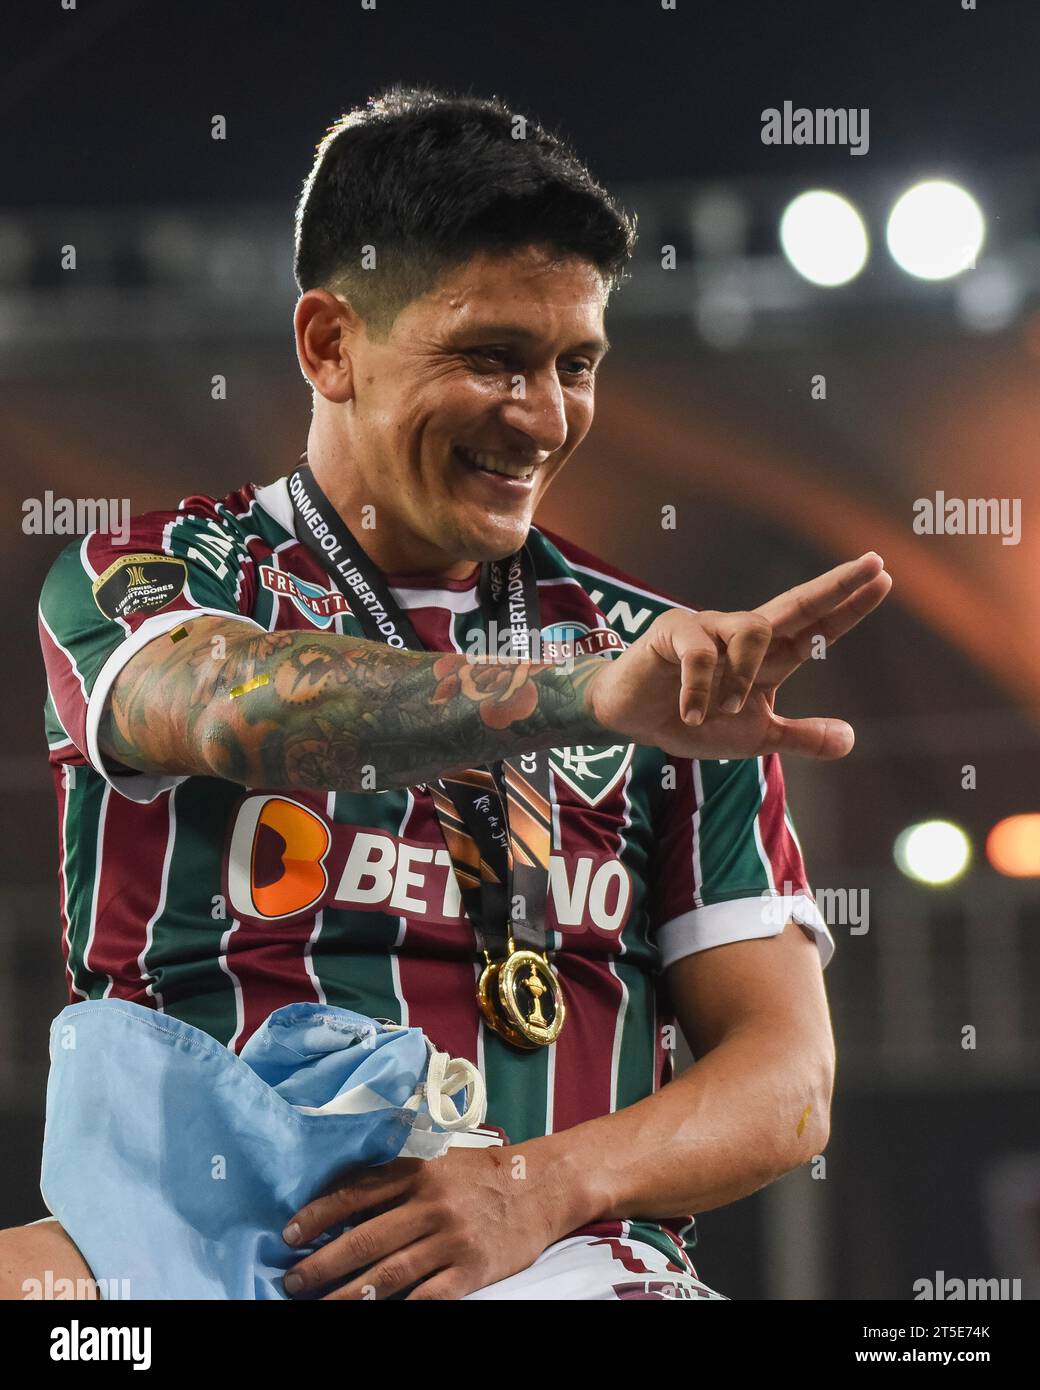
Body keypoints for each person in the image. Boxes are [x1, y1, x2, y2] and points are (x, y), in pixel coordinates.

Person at [2, 86, 890, 1301]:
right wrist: (579, 699)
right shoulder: (152, 576)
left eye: (576, 365)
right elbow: (221, 706)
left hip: (556, 1261)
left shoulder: (660, 661)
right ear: (329, 343)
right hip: (176, 1259)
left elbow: (788, 1080)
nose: (542, 417)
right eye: (491, 359)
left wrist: (533, 1187)